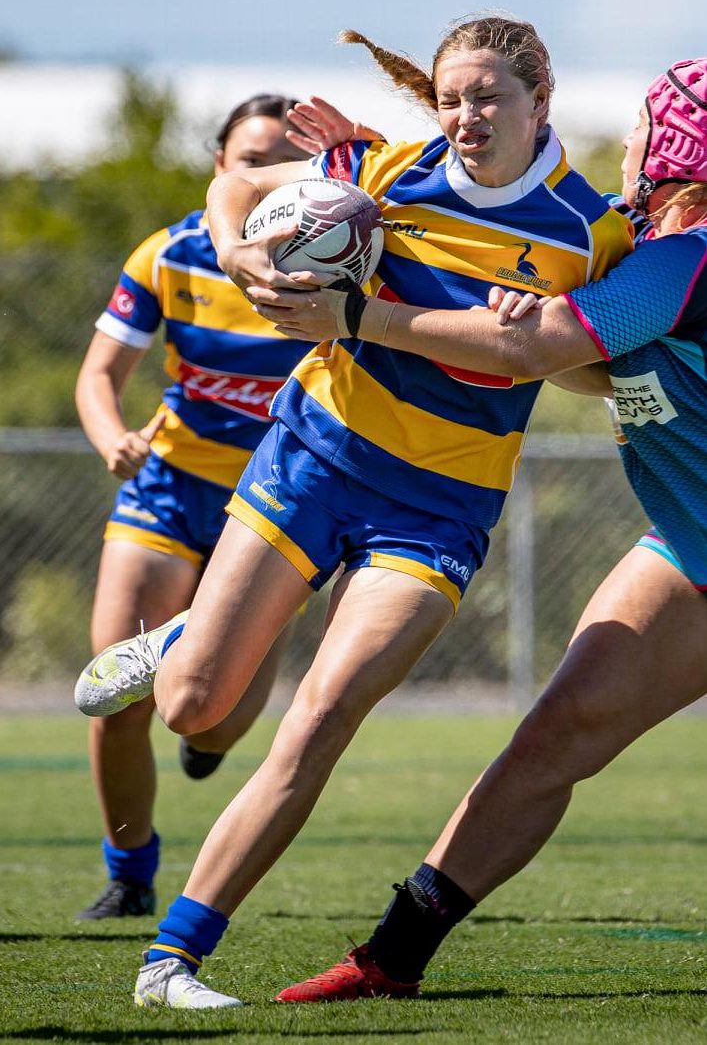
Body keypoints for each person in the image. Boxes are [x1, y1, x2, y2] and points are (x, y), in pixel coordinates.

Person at [74, 15, 632, 1006]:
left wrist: (537, 341)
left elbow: (592, 371)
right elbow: (231, 194)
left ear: (537, 102)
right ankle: (182, 644)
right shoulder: (385, 169)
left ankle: (171, 961)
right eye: (452, 96)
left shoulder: (590, 231)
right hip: (314, 458)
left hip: (440, 507)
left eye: (488, 97)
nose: (465, 115)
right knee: (195, 706)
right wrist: (257, 267)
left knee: (321, 716)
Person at [247, 56, 707, 1002]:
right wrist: (514, 315)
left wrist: (356, 314)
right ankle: (391, 960)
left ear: (671, 143)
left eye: (639, 126)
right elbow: (574, 359)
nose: (624, 143)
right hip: (688, 548)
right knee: (551, 738)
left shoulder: (683, 256)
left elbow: (535, 351)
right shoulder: (650, 261)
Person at [73, 93, 352, 921]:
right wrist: (110, 437)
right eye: (248, 160)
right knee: (115, 689)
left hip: (274, 503)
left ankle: (205, 736)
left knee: (211, 725)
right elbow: (97, 377)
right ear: (218, 172)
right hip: (167, 489)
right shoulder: (171, 254)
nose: (263, 176)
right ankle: (128, 871)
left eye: (281, 162)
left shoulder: (339, 255)